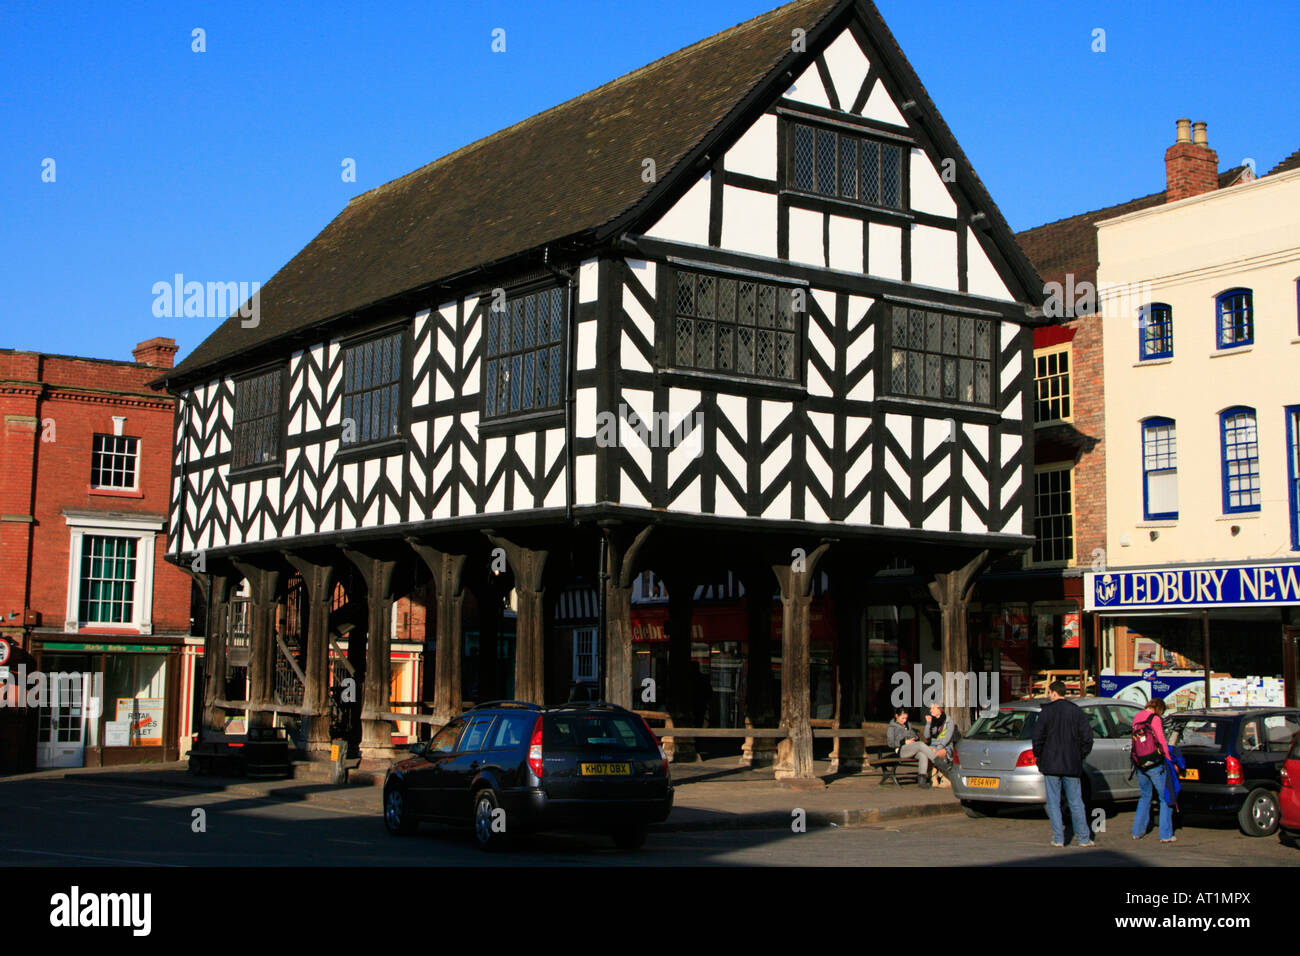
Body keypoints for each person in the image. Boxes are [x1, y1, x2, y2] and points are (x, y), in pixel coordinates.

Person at [1031, 680, 1095, 847]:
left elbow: (1037, 737)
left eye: (1049, 692)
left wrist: (1039, 755)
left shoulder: (1046, 712)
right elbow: (1087, 738)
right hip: (1071, 763)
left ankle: (1059, 838)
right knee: (1076, 801)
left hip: (1050, 762)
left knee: (1053, 802)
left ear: (1053, 692)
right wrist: (1080, 754)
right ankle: (1083, 838)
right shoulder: (1076, 711)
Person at [1130, 697, 1176, 843]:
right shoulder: (1155, 719)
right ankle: (1166, 834)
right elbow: (1161, 740)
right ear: (1160, 709)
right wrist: (1168, 758)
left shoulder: (1137, 716)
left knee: (1145, 796)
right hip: (1154, 763)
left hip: (1139, 762)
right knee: (1165, 798)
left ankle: (1137, 831)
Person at [887, 707, 934, 788]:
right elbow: (891, 743)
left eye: (906, 718)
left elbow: (914, 735)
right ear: (896, 716)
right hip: (901, 750)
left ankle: (922, 781)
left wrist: (914, 738)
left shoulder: (908, 725)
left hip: (911, 749)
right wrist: (904, 742)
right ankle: (937, 761)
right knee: (920, 745)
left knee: (923, 754)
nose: (904, 720)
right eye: (902, 718)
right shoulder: (892, 727)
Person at [924, 703, 957, 780]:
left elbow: (947, 738)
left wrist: (938, 748)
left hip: (946, 746)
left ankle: (941, 774)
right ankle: (932, 775)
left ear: (940, 709)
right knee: (925, 753)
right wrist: (928, 723)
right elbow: (926, 736)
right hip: (933, 745)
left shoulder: (949, 721)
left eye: (933, 708)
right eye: (930, 708)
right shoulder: (932, 720)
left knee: (934, 754)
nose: (930, 710)